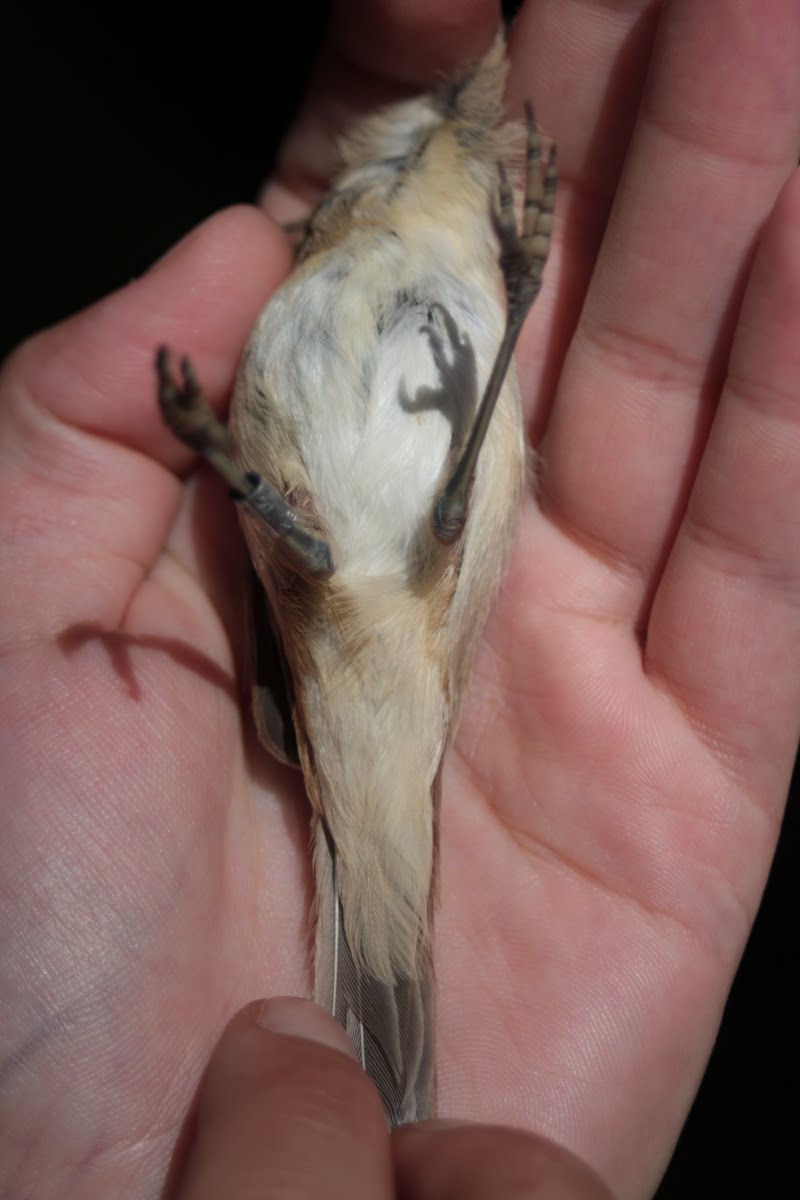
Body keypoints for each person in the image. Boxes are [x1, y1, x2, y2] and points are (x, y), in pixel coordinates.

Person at [1, 0, 798, 1195]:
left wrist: (514, 285)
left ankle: (260, 494)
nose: (445, 136)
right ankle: (258, 494)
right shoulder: (336, 246)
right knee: (371, 549)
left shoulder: (459, 244)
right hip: (347, 621)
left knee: (389, 543)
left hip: (371, 599)